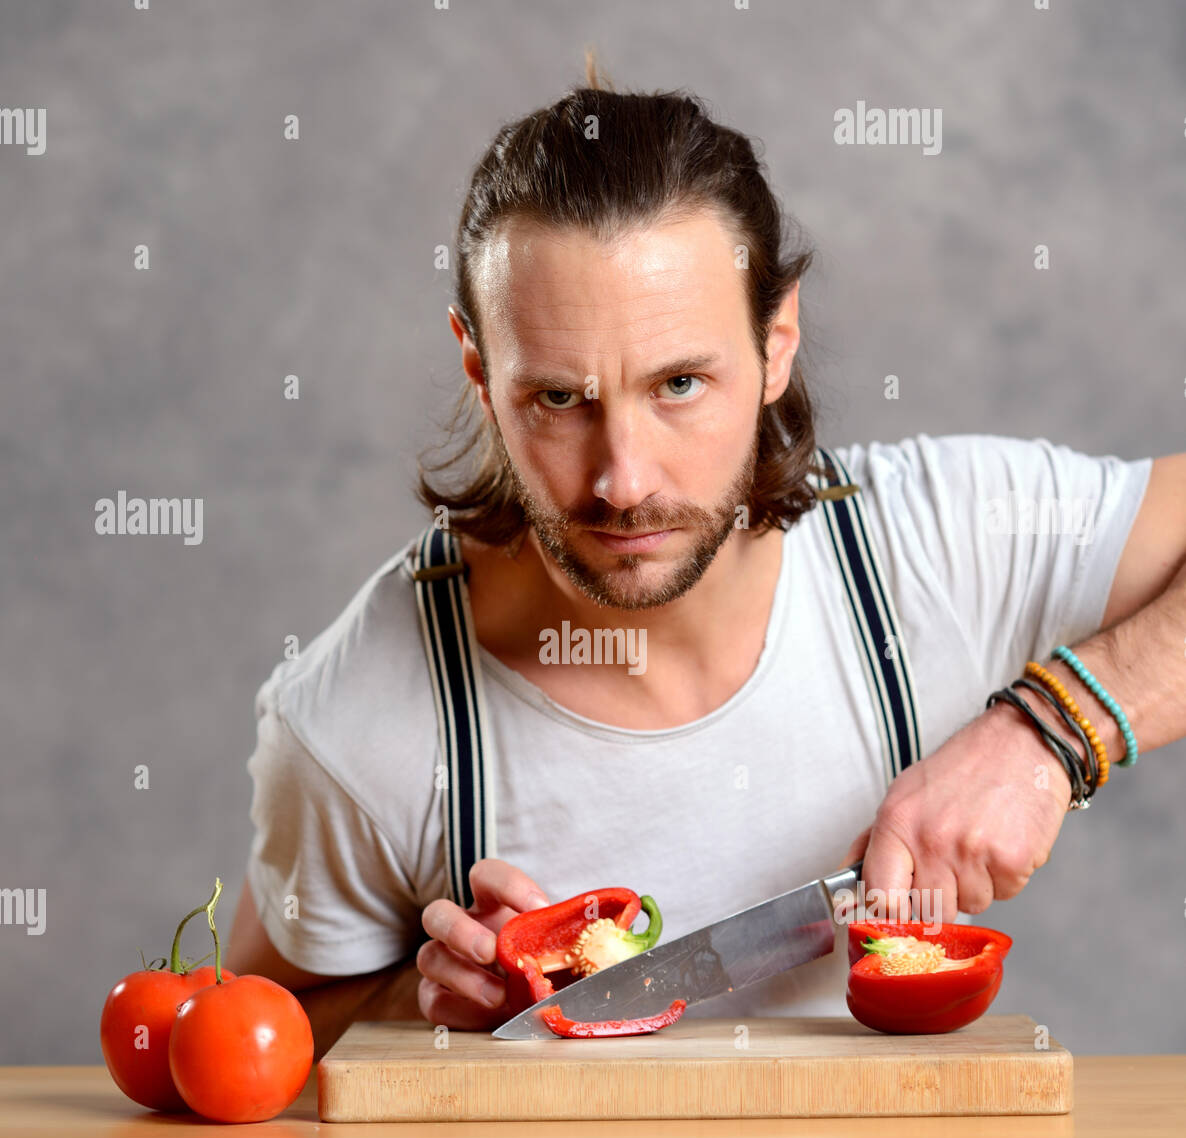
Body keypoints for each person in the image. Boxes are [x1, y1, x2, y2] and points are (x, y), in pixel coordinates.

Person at [223, 60, 1186, 1059]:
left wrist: (1054, 728)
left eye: (678, 383)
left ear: (777, 341)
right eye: (559, 400)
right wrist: (422, 1008)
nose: (624, 479)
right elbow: (250, 1045)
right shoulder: (353, 722)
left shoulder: (940, 542)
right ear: (478, 370)